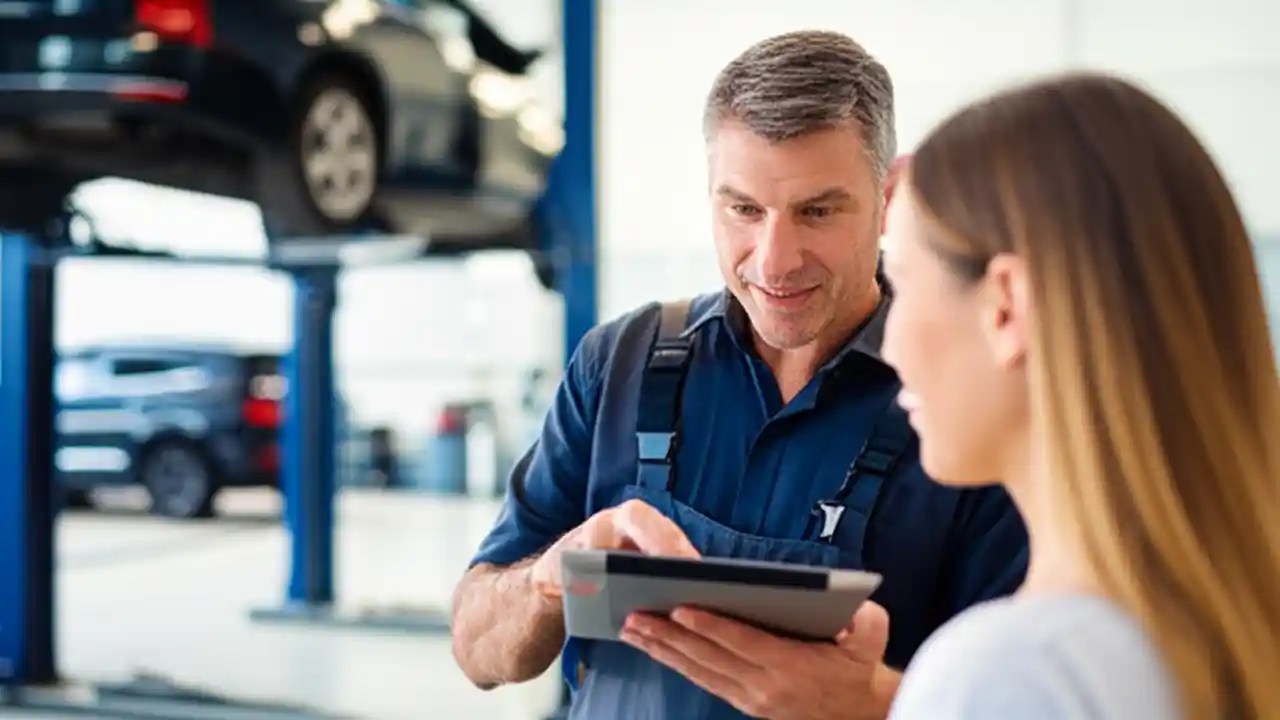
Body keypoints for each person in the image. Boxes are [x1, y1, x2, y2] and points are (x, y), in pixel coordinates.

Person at [450, 31, 1029, 720]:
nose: (775, 260)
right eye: (744, 210)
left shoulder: (968, 402)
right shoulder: (620, 364)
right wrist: (554, 576)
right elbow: (477, 649)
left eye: (817, 210)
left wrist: (875, 705)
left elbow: (1026, 699)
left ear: (890, 196)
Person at [873, 73, 1280, 719]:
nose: (888, 346)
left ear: (1007, 305)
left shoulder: (1005, 675)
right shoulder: (1237, 636)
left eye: (901, 282)